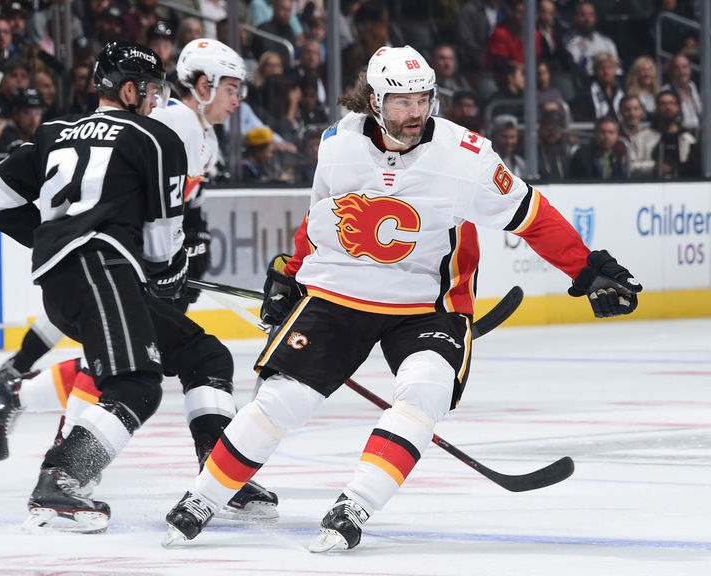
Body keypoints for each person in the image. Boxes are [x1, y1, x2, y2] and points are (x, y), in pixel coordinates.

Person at [160, 45, 642, 551]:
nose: (415, 112)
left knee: (424, 392)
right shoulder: (338, 143)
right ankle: (202, 497)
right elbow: (322, 215)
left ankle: (356, 504)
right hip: (342, 294)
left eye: (423, 99)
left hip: (429, 306)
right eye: (402, 101)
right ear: (375, 101)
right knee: (283, 399)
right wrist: (294, 274)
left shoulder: (468, 156)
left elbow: (533, 216)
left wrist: (587, 270)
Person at [0, 38, 279, 524]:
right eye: (150, 90)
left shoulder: (53, 131)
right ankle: (59, 479)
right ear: (129, 90)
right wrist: (170, 272)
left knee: (206, 355)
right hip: (102, 271)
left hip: (80, 276)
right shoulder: (155, 136)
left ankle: (221, 475)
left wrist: (53, 238)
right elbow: (162, 246)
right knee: (135, 384)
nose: (156, 100)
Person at [629, 88, 700, 179]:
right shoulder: (642, 137)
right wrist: (654, 167)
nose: (668, 107)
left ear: (678, 108)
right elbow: (629, 166)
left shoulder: (688, 139)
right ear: (656, 108)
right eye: (663, 104)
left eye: (671, 103)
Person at [568, 115, 624, 180]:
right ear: (595, 134)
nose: (607, 137)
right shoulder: (582, 156)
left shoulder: (615, 155)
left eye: (611, 132)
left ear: (617, 135)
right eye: (603, 132)